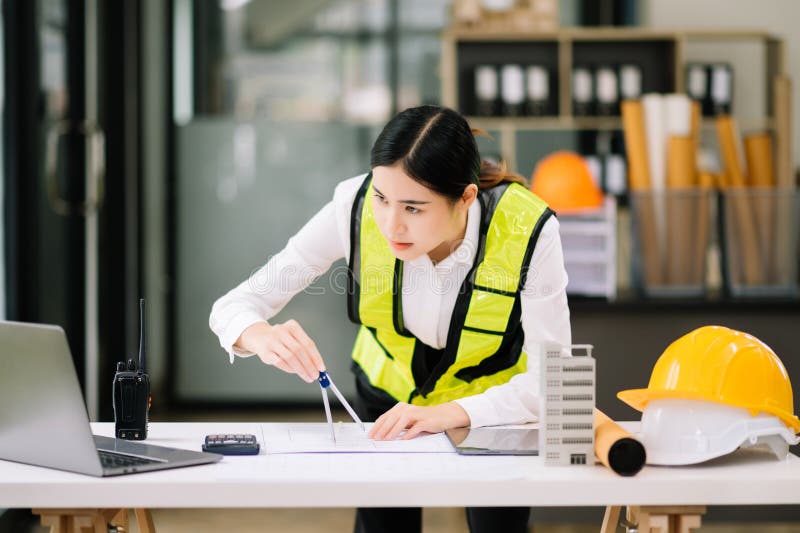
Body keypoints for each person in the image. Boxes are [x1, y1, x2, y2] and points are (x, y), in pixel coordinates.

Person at [209, 105, 571, 533]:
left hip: (496, 406)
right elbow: (233, 305)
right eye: (382, 198)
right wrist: (258, 336)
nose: (390, 225)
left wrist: (450, 412)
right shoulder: (352, 205)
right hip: (386, 398)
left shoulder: (529, 229)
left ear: (466, 198)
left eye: (413, 208)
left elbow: (556, 382)